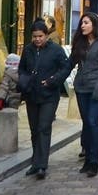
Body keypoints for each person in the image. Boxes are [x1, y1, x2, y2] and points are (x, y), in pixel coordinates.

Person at [18, 19, 71, 180]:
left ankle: (42, 165)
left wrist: (53, 80)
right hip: (32, 94)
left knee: (44, 127)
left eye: (40, 36)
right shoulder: (28, 50)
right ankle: (35, 162)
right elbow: (22, 68)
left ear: (46, 35)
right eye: (35, 36)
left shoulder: (56, 50)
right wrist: (24, 79)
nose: (37, 39)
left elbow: (65, 68)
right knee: (34, 129)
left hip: (49, 95)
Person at [69, 12, 98, 177]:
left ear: (94, 24)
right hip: (82, 89)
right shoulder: (80, 43)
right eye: (81, 23)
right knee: (87, 123)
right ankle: (87, 158)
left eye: (86, 22)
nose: (82, 25)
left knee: (93, 121)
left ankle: (94, 161)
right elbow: (70, 64)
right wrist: (54, 79)